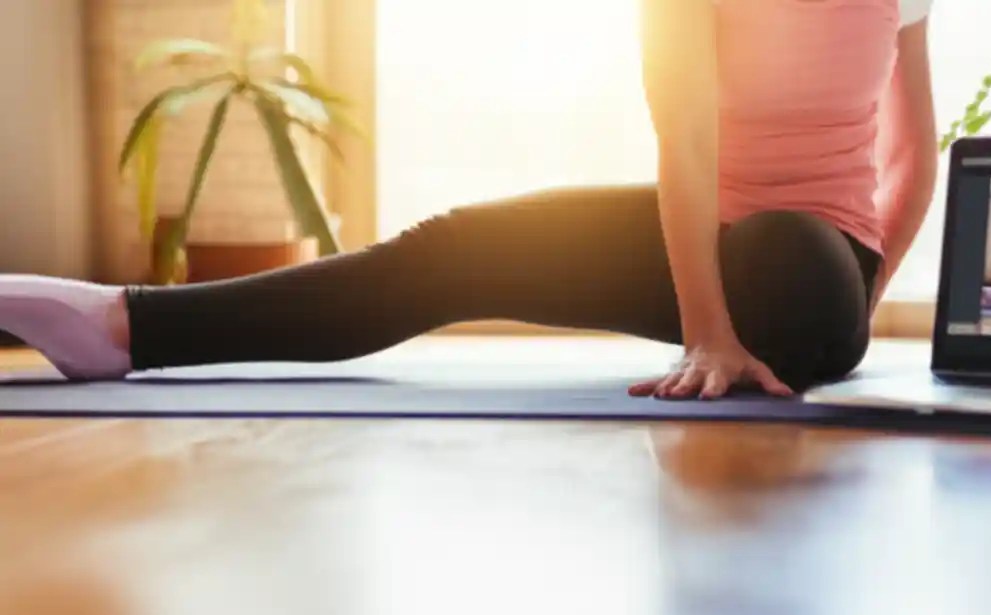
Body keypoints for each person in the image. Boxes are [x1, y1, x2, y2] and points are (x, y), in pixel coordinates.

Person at [0, 0, 939, 400]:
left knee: (789, 263)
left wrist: (865, 287)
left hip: (816, 266)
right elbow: (684, 140)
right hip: (711, 236)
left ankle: (802, 298)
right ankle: (126, 326)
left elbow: (909, 149)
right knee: (452, 249)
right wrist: (708, 331)